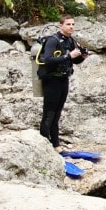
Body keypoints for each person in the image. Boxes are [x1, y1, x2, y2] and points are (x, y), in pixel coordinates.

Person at [37, 15, 88, 152]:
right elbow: (47, 59)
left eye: (73, 24)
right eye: (68, 24)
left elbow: (74, 61)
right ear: (61, 26)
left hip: (63, 79)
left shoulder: (70, 40)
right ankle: (44, 145)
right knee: (49, 113)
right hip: (51, 80)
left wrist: (82, 56)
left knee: (57, 112)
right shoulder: (52, 40)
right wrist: (68, 56)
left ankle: (55, 144)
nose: (71, 27)